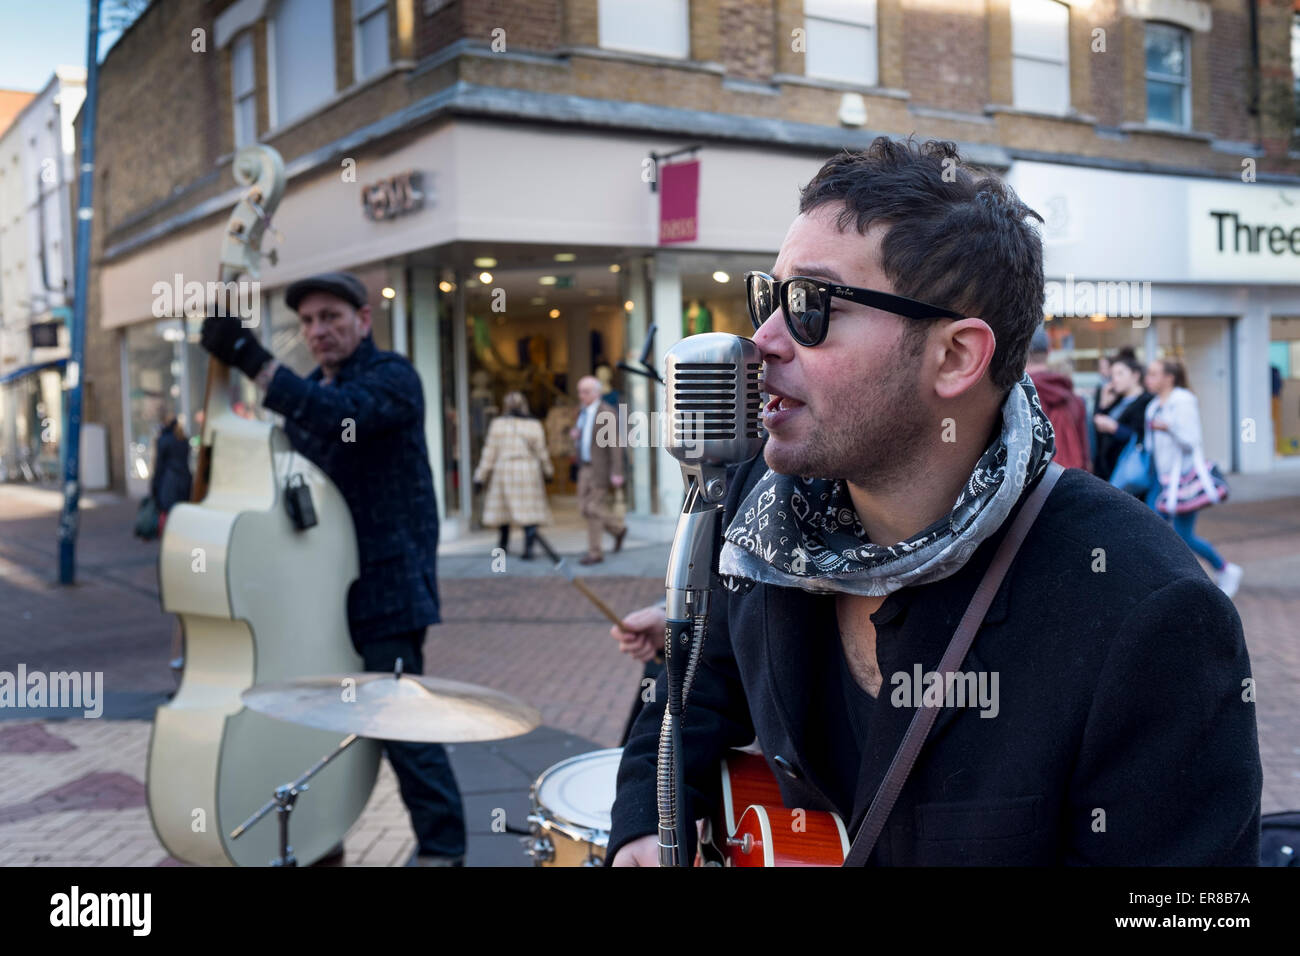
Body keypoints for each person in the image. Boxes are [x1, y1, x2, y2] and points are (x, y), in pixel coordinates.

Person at [607, 138, 1260, 866]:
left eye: (811, 306)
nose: (760, 341)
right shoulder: (757, 517)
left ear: (954, 356)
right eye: (769, 297)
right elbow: (690, 687)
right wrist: (644, 820)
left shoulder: (1147, 610)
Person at [200, 271, 466, 866]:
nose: (319, 330)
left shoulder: (393, 379)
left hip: (388, 595)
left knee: (402, 731)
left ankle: (444, 851)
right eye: (310, 322)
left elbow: (332, 413)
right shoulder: (313, 397)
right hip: (321, 599)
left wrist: (249, 356)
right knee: (315, 723)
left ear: (363, 320)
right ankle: (320, 842)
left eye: (332, 317)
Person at [1144, 358, 1243, 599]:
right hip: (1162, 479)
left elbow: (1191, 440)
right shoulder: (1154, 405)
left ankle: (1225, 568)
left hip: (1182, 479)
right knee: (1151, 529)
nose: (1149, 379)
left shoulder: (1183, 401)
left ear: (1169, 377)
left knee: (1182, 535)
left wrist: (1168, 428)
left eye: (1154, 374)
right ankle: (1170, 578)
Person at [473, 391, 553, 559]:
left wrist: (480, 476)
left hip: (504, 471)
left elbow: (489, 453)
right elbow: (542, 451)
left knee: (503, 512)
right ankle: (528, 548)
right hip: (528, 470)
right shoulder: (534, 425)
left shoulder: (497, 425)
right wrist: (548, 471)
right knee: (528, 510)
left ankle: (502, 547)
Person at [571, 374, 627, 565]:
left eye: (585, 392)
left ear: (596, 393)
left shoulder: (607, 412)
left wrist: (617, 472)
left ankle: (595, 553)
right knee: (584, 508)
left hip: (600, 468)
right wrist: (575, 435)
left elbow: (615, 444)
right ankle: (618, 529)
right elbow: (582, 435)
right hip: (584, 467)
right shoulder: (582, 412)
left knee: (594, 508)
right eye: (580, 392)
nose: (581, 396)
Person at [1025, 327, 1090, 471]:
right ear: (1049, 351)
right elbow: (1085, 451)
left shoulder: (1017, 397)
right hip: (1070, 480)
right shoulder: (1073, 398)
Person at [1091, 354, 1152, 483]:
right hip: (1108, 470)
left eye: (1120, 374)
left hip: (1127, 471)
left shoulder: (1146, 402)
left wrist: (1114, 428)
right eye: (1113, 375)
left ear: (1135, 376)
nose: (1115, 379)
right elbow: (1096, 430)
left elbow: (1141, 436)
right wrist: (1103, 405)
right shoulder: (1115, 399)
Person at [150, 414, 192, 535]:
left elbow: (159, 465)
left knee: (167, 512)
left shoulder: (163, 440)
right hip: (184, 478)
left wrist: (154, 486)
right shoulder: (183, 439)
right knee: (181, 511)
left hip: (169, 480)